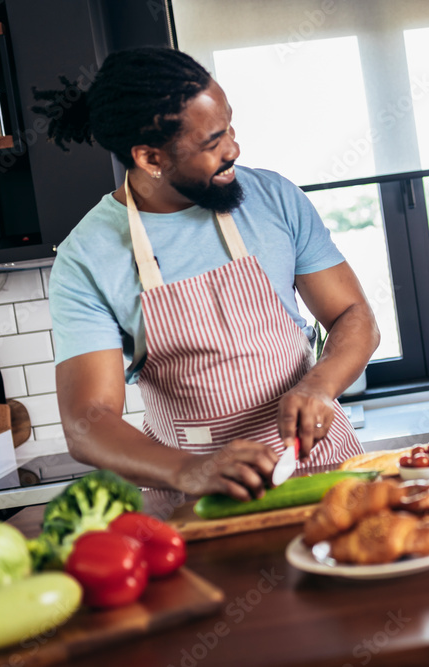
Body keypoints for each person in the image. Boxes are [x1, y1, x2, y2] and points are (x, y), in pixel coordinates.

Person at [39, 47, 379, 501]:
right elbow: (89, 421)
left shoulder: (273, 198)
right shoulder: (87, 258)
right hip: (195, 499)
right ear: (150, 159)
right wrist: (192, 470)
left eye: (230, 128)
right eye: (212, 143)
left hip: (320, 467)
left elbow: (354, 315)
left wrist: (320, 384)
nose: (233, 149)